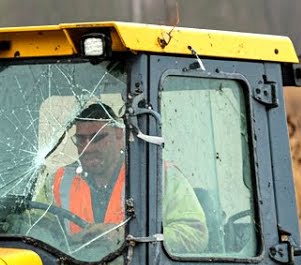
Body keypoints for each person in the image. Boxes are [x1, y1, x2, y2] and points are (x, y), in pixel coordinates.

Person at [50, 102, 207, 254]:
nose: (87, 148)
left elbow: (195, 235)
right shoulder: (59, 181)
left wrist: (122, 235)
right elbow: (40, 227)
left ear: (119, 135)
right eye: (80, 140)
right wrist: (64, 244)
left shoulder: (158, 175)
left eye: (97, 138)